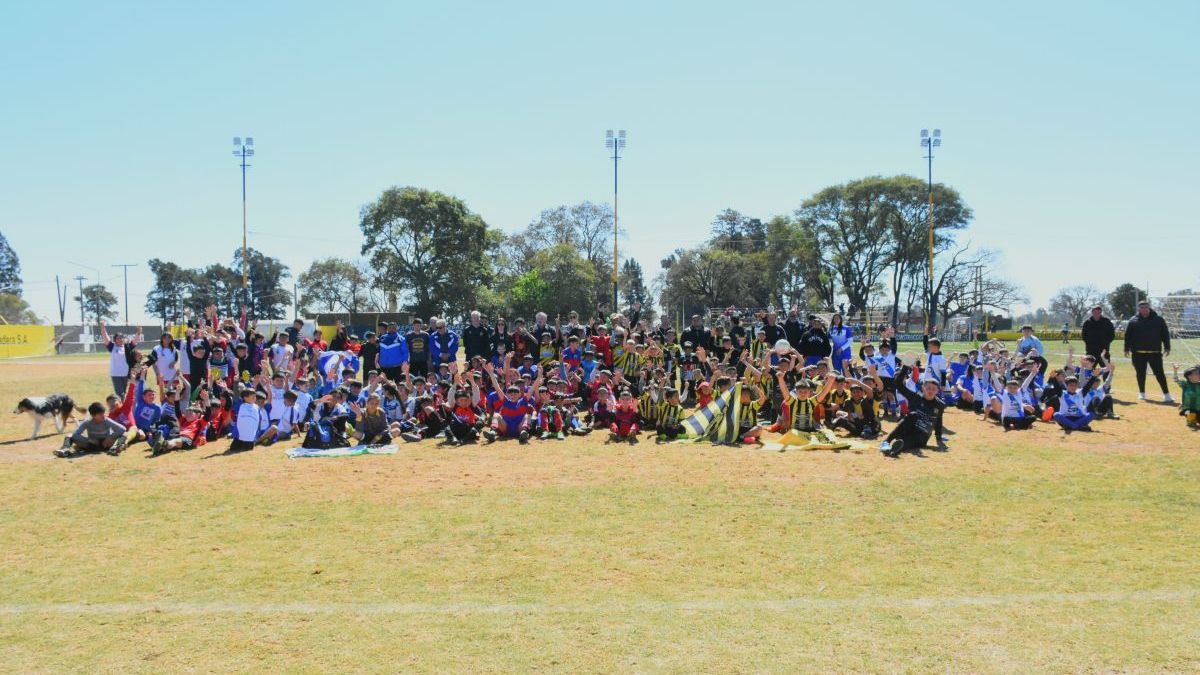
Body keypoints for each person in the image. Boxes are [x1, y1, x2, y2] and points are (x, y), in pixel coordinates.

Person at [880, 373, 946, 457]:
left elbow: (938, 421)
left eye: (934, 389)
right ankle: (886, 442)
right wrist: (905, 367)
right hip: (906, 429)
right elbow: (898, 384)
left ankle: (894, 450)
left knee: (905, 442)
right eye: (928, 388)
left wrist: (939, 438)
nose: (931, 391)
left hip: (921, 436)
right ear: (923, 388)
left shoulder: (940, 405)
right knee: (912, 415)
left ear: (937, 391)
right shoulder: (915, 397)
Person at [1123, 301, 1173, 402]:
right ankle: (1142, 393)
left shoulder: (1158, 320)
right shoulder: (1133, 320)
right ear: (1138, 309)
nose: (1144, 309)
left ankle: (1167, 395)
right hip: (1138, 353)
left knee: (1160, 374)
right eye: (1142, 307)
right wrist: (1126, 348)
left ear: (1149, 308)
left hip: (1155, 353)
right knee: (1140, 373)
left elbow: (1165, 334)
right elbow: (1127, 336)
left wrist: (1167, 347)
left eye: (1146, 307)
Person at [56, 403, 127, 457]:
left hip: (106, 443)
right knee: (70, 435)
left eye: (103, 413)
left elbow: (123, 429)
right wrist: (89, 440)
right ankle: (65, 450)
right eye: (100, 414)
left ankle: (114, 448)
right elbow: (75, 435)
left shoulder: (106, 420)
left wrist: (110, 437)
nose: (103, 415)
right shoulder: (87, 422)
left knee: (124, 434)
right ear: (93, 416)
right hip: (91, 444)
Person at [99, 320, 142, 397]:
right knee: (120, 394)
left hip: (125, 374)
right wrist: (102, 327)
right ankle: (122, 407)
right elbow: (105, 338)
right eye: (118, 338)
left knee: (124, 393)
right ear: (115, 340)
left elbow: (135, 341)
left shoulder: (127, 347)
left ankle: (123, 407)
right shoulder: (112, 347)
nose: (120, 339)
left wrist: (139, 332)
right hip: (115, 374)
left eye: (122, 338)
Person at [1172, 364, 1200, 428]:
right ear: (1189, 376)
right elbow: (1176, 380)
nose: (1199, 375)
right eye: (1196, 373)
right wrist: (1175, 370)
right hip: (1188, 408)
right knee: (1192, 420)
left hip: (1198, 408)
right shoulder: (1185, 384)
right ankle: (1190, 421)